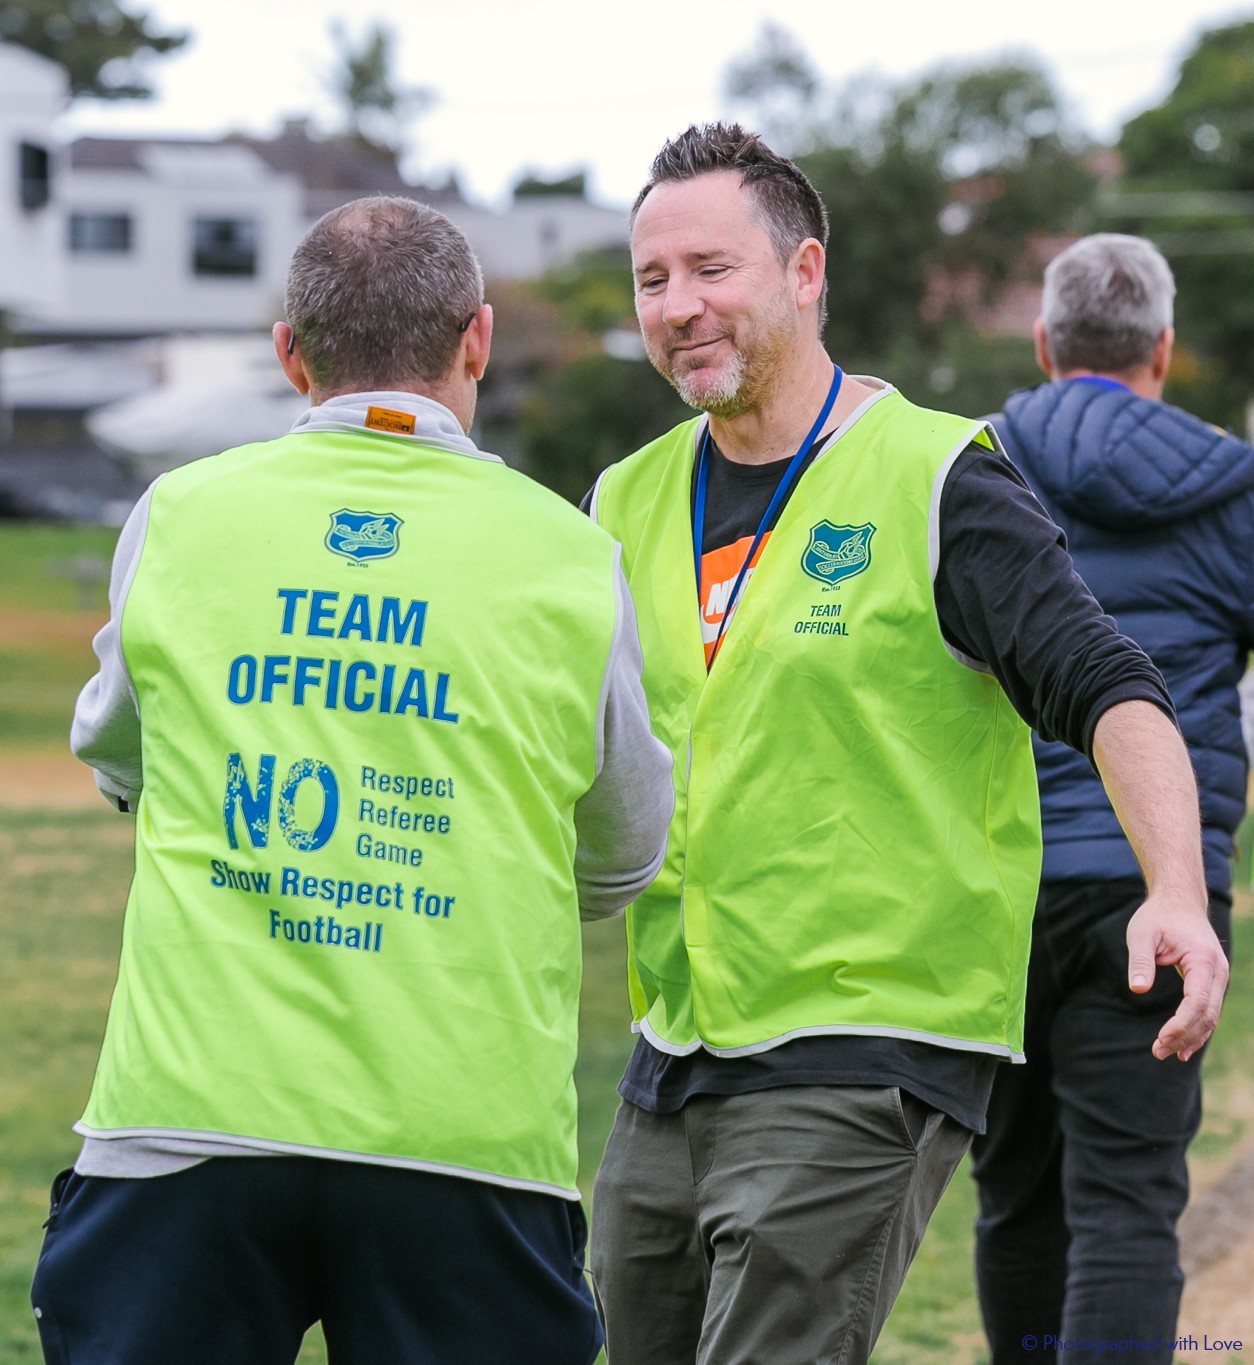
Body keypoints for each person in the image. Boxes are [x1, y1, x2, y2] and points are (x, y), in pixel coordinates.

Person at [582, 124, 1229, 1365]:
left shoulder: (935, 476)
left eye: (711, 270)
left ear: (805, 272)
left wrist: (1179, 893)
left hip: (867, 1039)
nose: (678, 307)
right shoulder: (623, 498)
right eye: (652, 281)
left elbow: (1111, 684)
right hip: (674, 1045)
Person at [31, 195, 674, 1365]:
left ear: (289, 352)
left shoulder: (179, 516)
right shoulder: (570, 555)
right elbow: (628, 845)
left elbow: (120, 754)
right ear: (476, 339)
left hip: (191, 1118)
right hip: (462, 1135)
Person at [970, 233, 1254, 1363]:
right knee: (1129, 1206)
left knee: (1013, 1202)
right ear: (1165, 351)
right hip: (1157, 891)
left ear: (1043, 345)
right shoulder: (1232, 490)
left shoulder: (966, 469)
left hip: (992, 886)